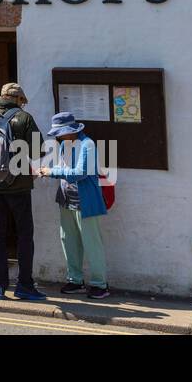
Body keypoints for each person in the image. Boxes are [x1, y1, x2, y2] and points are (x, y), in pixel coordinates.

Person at [0, 82, 45, 301]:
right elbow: (37, 150)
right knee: (24, 235)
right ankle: (24, 285)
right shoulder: (24, 118)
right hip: (19, 186)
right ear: (18, 99)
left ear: (1, 96)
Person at [37, 111, 110, 299]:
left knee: (92, 242)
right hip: (66, 199)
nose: (58, 137)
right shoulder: (64, 145)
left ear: (71, 130)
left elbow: (81, 172)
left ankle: (100, 284)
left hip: (86, 201)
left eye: (60, 133)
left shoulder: (88, 144)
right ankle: (75, 280)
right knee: (68, 241)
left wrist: (50, 171)